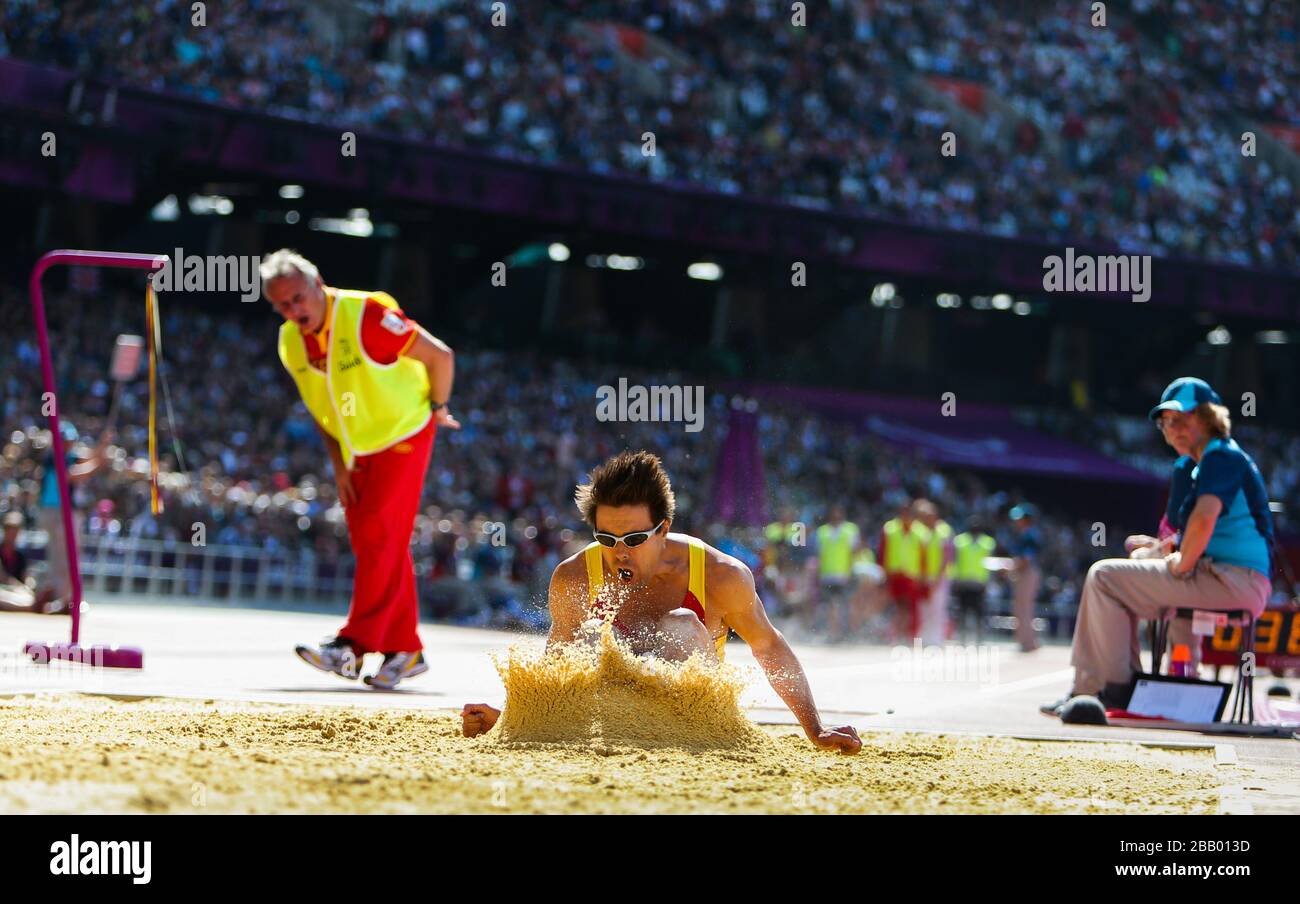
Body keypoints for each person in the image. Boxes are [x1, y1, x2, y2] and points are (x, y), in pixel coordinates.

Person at [460, 450, 862, 753]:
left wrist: (815, 727)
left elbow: (768, 647)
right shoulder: (574, 576)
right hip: (602, 723)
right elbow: (559, 660)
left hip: (688, 725)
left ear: (663, 528)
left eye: (634, 540)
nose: (620, 553)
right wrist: (514, 719)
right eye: (607, 539)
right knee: (585, 636)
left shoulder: (721, 575)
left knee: (683, 624)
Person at [263, 249, 459, 690]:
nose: (295, 311)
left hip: (404, 431)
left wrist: (438, 409)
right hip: (358, 448)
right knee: (376, 539)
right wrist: (339, 464)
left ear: (318, 284)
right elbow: (321, 405)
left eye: (299, 298)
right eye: (284, 306)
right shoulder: (291, 342)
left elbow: (440, 356)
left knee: (377, 532)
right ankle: (404, 650)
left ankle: (352, 646)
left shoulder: (366, 315)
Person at [1042, 378, 1275, 714]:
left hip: (1233, 581)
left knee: (1104, 576)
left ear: (1209, 418)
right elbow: (1208, 529)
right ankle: (1147, 685)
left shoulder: (1220, 456)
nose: (1173, 428)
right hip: (1232, 579)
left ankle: (1108, 688)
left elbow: (1205, 519)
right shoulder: (1209, 462)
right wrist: (1165, 550)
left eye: (1182, 418)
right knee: (1135, 565)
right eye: (1166, 421)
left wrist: (1179, 563)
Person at [35, 424, 113, 614]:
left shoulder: (68, 456)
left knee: (68, 557)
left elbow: (91, 456)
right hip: (56, 512)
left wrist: (103, 445)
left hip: (64, 512)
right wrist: (99, 462)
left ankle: (69, 598)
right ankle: (65, 598)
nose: (69, 444)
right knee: (62, 558)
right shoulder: (53, 458)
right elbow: (74, 475)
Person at [878, 499, 931, 641]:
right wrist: (884, 572)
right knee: (896, 607)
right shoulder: (889, 528)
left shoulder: (921, 532)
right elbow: (883, 552)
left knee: (910, 608)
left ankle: (908, 635)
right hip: (894, 575)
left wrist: (924, 576)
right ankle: (895, 635)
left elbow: (924, 556)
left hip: (912, 576)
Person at [814, 504, 859, 640]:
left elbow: (853, 553)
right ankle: (834, 632)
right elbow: (819, 554)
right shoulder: (822, 532)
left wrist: (851, 571)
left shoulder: (850, 530)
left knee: (845, 604)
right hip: (827, 574)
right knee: (831, 605)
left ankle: (848, 631)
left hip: (843, 574)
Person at [951, 519, 996, 643]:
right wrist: (955, 579)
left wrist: (989, 582)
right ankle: (962, 639)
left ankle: (980, 639)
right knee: (962, 612)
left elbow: (990, 564)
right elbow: (955, 561)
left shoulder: (988, 543)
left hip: (979, 583)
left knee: (980, 613)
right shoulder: (960, 541)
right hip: (963, 583)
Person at [915, 499, 953, 644]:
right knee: (924, 609)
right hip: (924, 577)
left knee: (938, 609)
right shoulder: (921, 532)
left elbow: (946, 557)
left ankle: (936, 640)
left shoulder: (944, 531)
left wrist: (938, 577)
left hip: (940, 576)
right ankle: (923, 639)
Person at [1006, 504, 1042, 652]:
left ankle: (1027, 643)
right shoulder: (1026, 534)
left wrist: (1011, 568)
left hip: (1027, 572)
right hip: (1026, 571)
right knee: (1022, 607)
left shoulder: (1029, 535)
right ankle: (1026, 641)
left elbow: (1026, 559)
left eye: (1020, 518)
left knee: (1024, 608)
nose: (1016, 522)